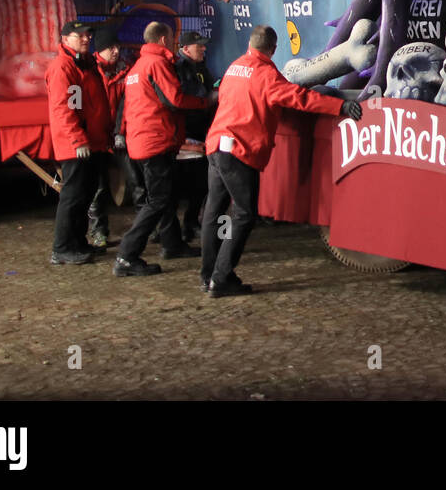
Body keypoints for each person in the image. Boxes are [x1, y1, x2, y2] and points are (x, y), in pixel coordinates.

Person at [201, 25, 361, 297]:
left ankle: (208, 275)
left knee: (214, 213)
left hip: (216, 145)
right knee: (243, 215)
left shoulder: (234, 66)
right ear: (273, 49)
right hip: (240, 151)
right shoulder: (266, 74)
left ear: (250, 44)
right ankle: (222, 277)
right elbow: (299, 98)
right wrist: (340, 106)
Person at [117, 22, 213, 277]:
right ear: (162, 39)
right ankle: (127, 255)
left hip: (141, 141)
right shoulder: (157, 65)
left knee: (164, 198)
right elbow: (175, 99)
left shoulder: (138, 67)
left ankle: (172, 245)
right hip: (155, 142)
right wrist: (205, 102)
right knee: (158, 201)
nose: (174, 42)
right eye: (172, 38)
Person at [45, 21, 113, 265]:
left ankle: (76, 242)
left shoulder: (83, 64)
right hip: (76, 145)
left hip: (91, 143)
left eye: (87, 35)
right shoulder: (63, 67)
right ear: (65, 39)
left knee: (84, 195)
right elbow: (64, 108)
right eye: (80, 35)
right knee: (73, 195)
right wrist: (77, 139)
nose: (86, 39)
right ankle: (62, 248)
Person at [87, 25, 130, 248]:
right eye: (110, 47)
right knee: (99, 187)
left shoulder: (126, 71)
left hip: (118, 136)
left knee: (137, 183)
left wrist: (121, 132)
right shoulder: (88, 70)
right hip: (97, 138)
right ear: (100, 49)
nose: (116, 51)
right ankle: (98, 233)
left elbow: (128, 104)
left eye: (117, 46)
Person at [174, 29, 216, 242]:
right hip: (185, 134)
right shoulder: (178, 69)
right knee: (184, 183)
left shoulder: (202, 68)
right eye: (199, 46)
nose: (203, 48)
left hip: (201, 131)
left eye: (203, 45)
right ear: (185, 48)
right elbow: (179, 99)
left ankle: (190, 223)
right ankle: (175, 230)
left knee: (199, 184)